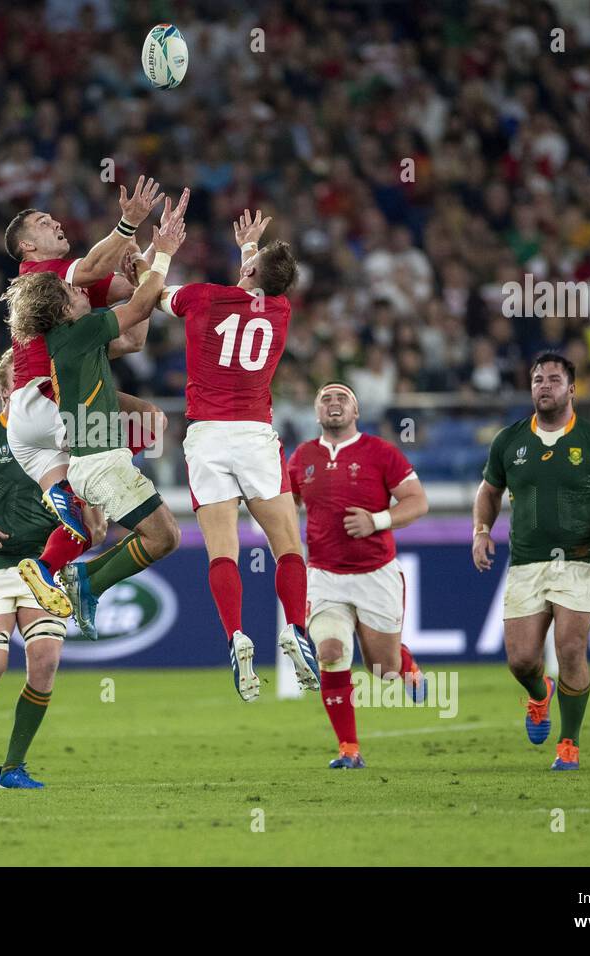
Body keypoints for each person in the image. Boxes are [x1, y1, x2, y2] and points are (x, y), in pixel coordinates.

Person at [2, 209, 187, 639]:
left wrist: (142, 259)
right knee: (147, 421)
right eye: (44, 222)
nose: (56, 223)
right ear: (27, 245)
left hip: (29, 426)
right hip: (48, 405)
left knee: (94, 527)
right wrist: (144, 240)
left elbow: (135, 329)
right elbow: (130, 292)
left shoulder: (77, 318)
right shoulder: (45, 274)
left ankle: (50, 563)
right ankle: (82, 490)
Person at [161, 208, 319, 701]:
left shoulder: (203, 298)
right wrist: (252, 252)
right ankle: (295, 626)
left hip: (207, 436)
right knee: (288, 546)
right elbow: (258, 289)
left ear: (248, 270)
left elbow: (154, 296)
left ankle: (235, 634)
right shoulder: (281, 311)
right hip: (254, 434)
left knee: (222, 549)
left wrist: (154, 258)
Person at [0, 350, 105, 789]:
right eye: (20, 382)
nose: (33, 390)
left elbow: (89, 506)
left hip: (44, 567)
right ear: (4, 389)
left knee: (44, 661)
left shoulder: (62, 438)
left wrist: (95, 519)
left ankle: (13, 767)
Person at [473, 352, 590, 771]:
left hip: (581, 560)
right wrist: (480, 531)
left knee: (570, 647)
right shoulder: (509, 441)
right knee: (522, 660)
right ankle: (538, 693)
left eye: (552, 379)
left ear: (572, 389)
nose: (543, 386)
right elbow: (489, 492)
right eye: (536, 380)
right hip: (526, 562)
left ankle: (569, 742)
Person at [288, 382, 429, 768]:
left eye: (342, 399)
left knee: (383, 670)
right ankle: (349, 749)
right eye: (325, 399)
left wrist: (377, 521)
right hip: (324, 576)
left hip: (375, 573)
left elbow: (418, 501)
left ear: (356, 411)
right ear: (317, 413)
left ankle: (406, 666)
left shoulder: (381, 452)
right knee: (331, 653)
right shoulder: (302, 457)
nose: (333, 404)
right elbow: (287, 506)